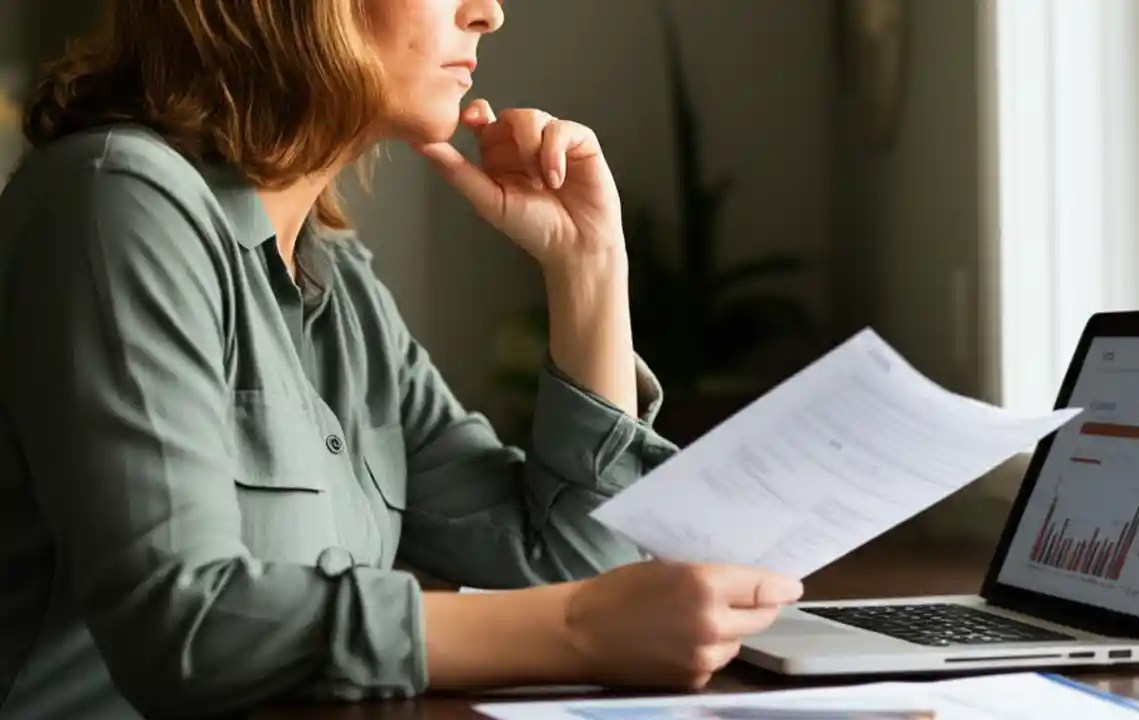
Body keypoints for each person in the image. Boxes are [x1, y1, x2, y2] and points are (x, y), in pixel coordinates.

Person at [0, 1, 805, 718]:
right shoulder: (115, 200)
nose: (488, 13)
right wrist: (576, 630)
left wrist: (587, 267)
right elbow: (182, 626)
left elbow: (568, 564)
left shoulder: (337, 281)